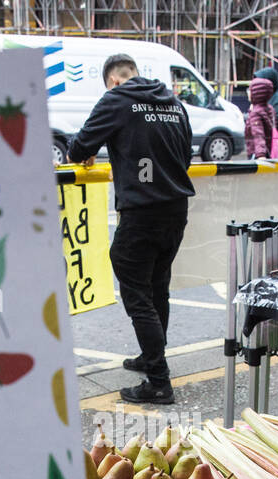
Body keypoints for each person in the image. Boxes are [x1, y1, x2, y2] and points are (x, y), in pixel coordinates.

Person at [66, 55, 194, 405]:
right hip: (175, 209)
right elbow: (185, 156)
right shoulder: (173, 102)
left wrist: (93, 152)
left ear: (112, 80)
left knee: (137, 294)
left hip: (140, 213)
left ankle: (158, 381)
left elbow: (78, 147)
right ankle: (150, 357)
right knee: (157, 289)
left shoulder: (117, 100)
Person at [254, 66, 278, 143]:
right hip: (268, 142)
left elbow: (277, 119)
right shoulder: (267, 96)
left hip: (276, 144)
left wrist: (257, 117)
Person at [245, 76, 276, 159]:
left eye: (250, 90)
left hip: (256, 154)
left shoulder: (255, 113)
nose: (248, 92)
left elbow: (258, 135)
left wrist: (260, 155)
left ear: (256, 93)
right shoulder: (270, 109)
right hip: (270, 151)